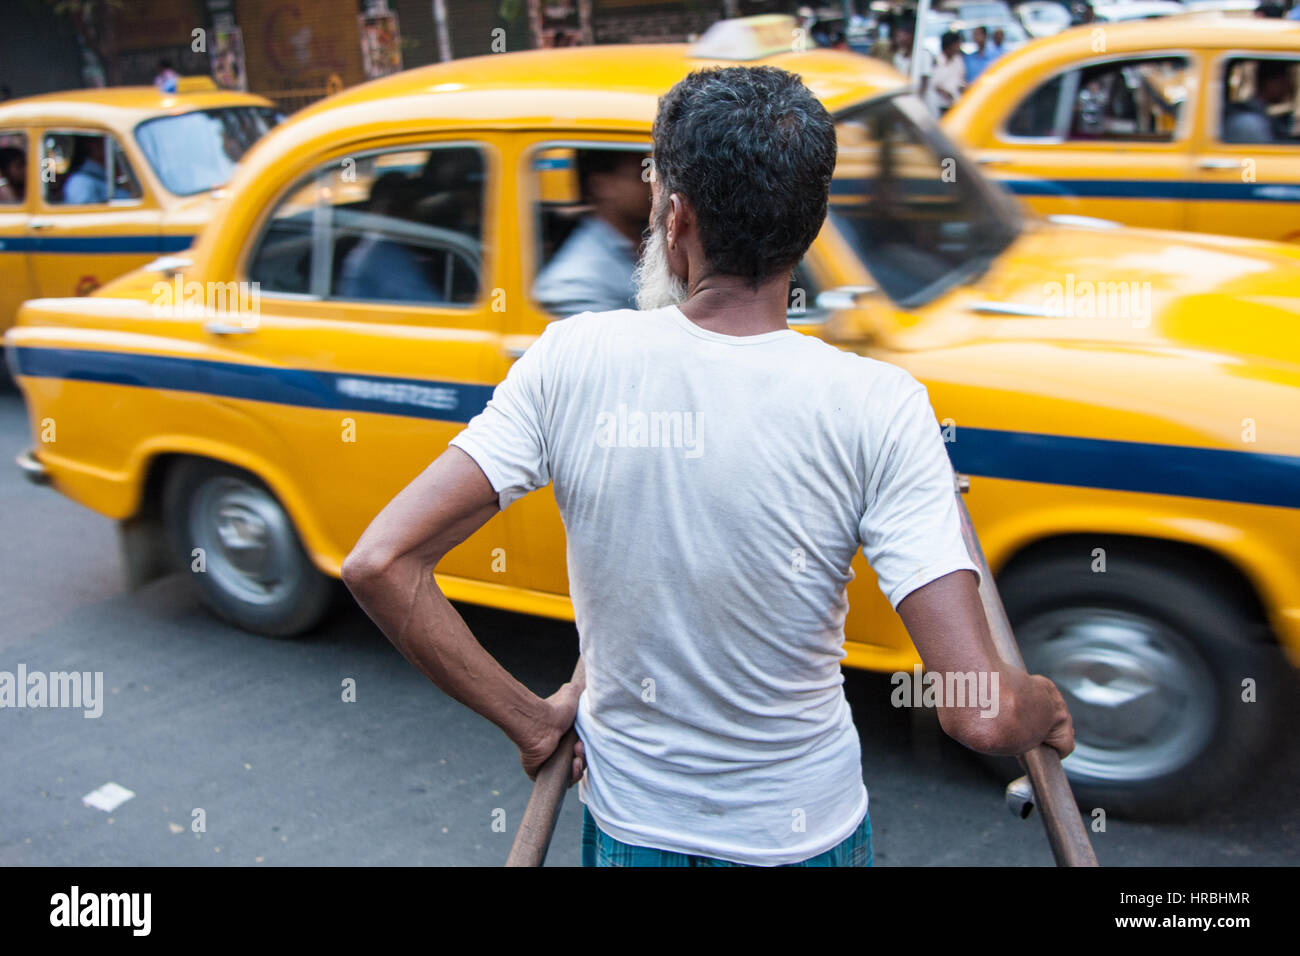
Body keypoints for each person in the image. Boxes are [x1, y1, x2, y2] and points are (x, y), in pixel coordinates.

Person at [342, 65, 1074, 868]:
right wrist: (1038, 704)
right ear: (811, 222)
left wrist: (531, 720)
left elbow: (382, 562)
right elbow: (982, 714)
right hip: (805, 837)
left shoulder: (572, 359)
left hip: (632, 833)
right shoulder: (880, 404)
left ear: (677, 217)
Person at [532, 149, 651, 317]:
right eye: (639, 175)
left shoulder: (636, 244)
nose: (651, 183)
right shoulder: (577, 282)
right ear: (602, 186)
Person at [338, 172, 442, 303]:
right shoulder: (386, 258)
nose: (417, 217)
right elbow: (429, 307)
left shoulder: (377, 249)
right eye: (409, 207)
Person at [1224, 59, 1297, 143]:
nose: (1289, 87)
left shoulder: (1257, 116)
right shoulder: (1249, 122)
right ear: (1271, 83)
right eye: (1284, 81)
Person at [929, 30, 966, 116]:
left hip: (955, 104)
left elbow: (960, 80)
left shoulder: (958, 60)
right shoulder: (937, 61)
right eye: (957, 44)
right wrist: (945, 92)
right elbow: (933, 84)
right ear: (949, 45)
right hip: (939, 105)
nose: (958, 47)